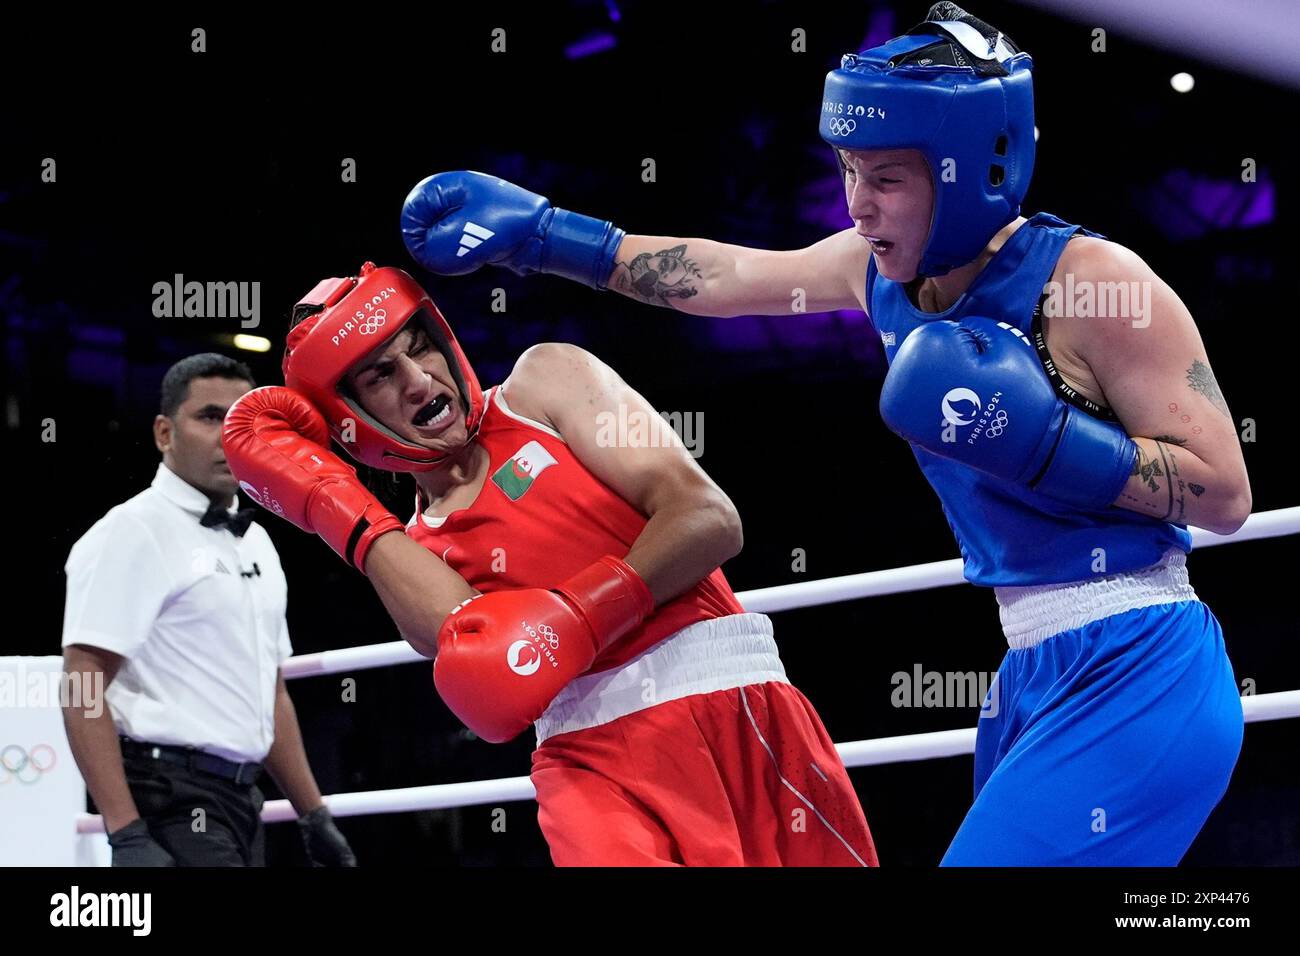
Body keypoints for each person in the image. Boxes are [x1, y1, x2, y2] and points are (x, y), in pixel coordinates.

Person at [397, 3, 1251, 865]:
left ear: (966, 172)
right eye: (847, 171)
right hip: (1029, 667)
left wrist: (1041, 437)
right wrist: (550, 238)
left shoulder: (1092, 282)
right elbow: (720, 277)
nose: (859, 204)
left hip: (1143, 657)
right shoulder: (870, 271)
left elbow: (1223, 492)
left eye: (887, 179)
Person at [222, 262, 877, 866]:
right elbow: (480, 673)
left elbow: (708, 520)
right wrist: (336, 506)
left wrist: (582, 616)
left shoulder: (543, 385)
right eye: (379, 375)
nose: (418, 379)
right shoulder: (410, 549)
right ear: (350, 417)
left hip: (727, 702)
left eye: (417, 346)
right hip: (586, 763)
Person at [61, 353, 356, 867]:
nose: (229, 434)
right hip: (167, 796)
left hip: (242, 801)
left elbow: (270, 691)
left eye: (243, 418)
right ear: (163, 433)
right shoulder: (131, 532)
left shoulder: (257, 541)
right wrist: (125, 830)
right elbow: (83, 678)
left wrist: (313, 813)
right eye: (209, 416)